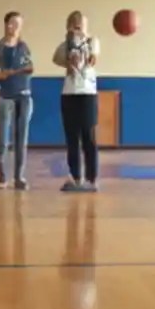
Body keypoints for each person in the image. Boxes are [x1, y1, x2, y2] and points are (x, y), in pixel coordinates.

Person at [52, 11, 100, 191]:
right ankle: (75, 177)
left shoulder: (92, 41)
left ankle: (92, 178)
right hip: (69, 94)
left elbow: (92, 57)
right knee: (72, 138)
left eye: (81, 23)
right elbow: (57, 59)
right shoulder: (65, 45)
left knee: (89, 137)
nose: (78, 25)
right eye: (73, 23)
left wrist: (81, 40)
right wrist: (70, 42)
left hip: (87, 93)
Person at [0, 11, 34, 189]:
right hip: (5, 97)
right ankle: (2, 176)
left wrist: (13, 72)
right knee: (3, 139)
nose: (16, 27)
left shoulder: (24, 47)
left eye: (19, 24)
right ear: (6, 25)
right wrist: (9, 72)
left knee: (21, 138)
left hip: (24, 95)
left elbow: (30, 67)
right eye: (13, 23)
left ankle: (19, 177)